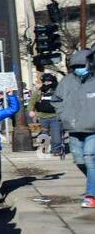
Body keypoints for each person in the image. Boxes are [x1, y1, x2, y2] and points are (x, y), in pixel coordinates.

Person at [54, 47, 95, 208]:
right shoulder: (67, 81)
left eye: (82, 65)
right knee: (79, 160)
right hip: (74, 128)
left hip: (93, 129)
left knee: (90, 158)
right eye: (76, 66)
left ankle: (91, 195)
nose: (79, 69)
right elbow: (56, 99)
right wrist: (63, 114)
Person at [32, 73, 65, 157]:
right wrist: (31, 110)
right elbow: (32, 101)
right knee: (44, 135)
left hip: (56, 117)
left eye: (49, 82)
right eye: (45, 82)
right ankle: (44, 147)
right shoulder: (39, 91)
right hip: (43, 117)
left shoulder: (59, 91)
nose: (46, 84)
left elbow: (65, 102)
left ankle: (56, 150)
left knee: (56, 135)